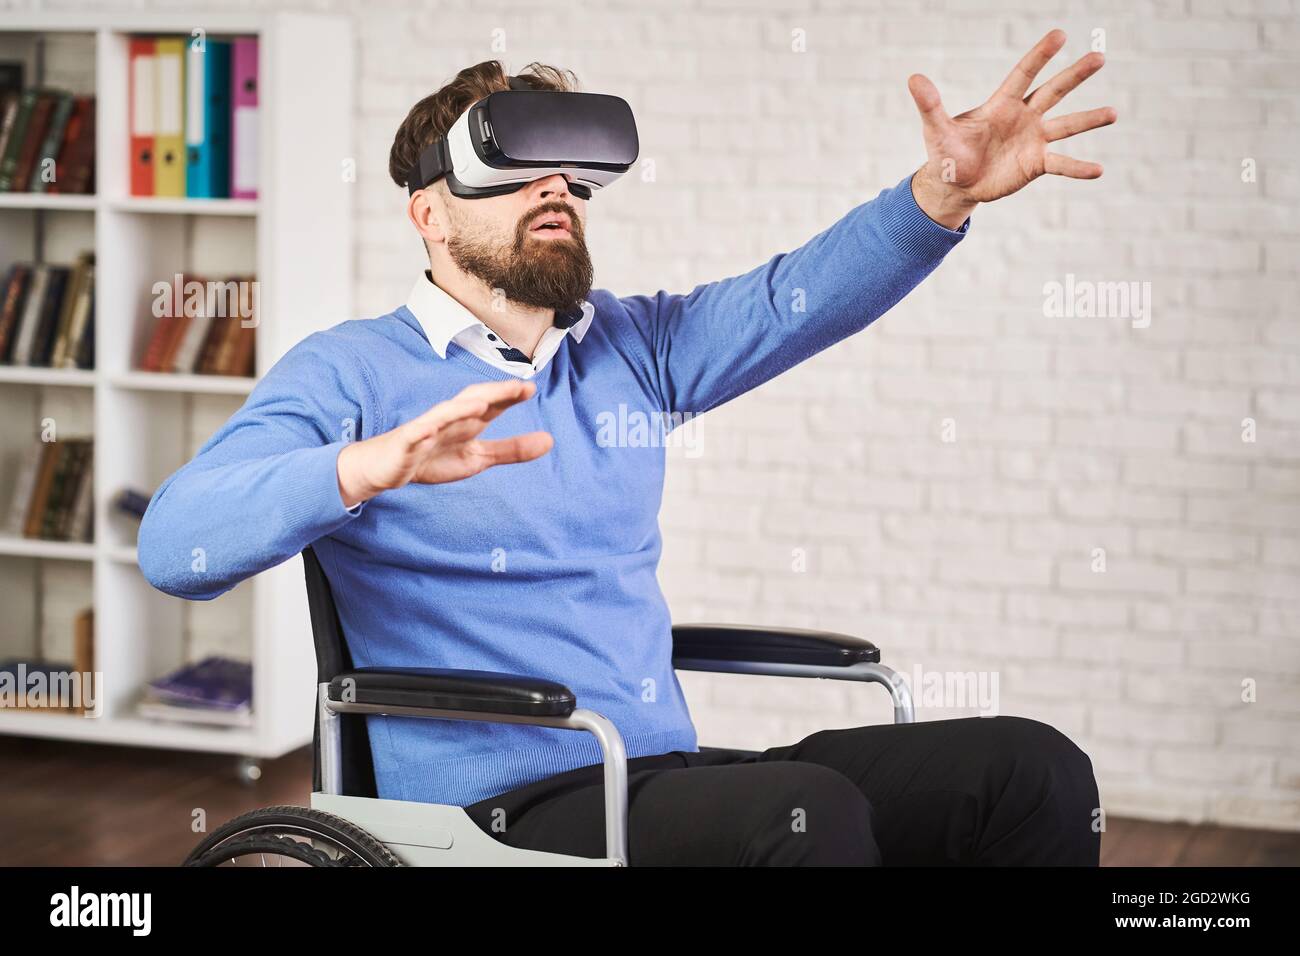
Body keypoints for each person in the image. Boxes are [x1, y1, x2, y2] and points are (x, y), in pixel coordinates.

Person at [138, 28, 1115, 865]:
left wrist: (939, 193)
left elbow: (791, 299)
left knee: (1030, 772)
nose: (553, 188)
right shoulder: (348, 371)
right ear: (428, 211)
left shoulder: (628, 348)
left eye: (567, 171)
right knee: (807, 817)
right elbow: (176, 542)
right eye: (514, 168)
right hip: (498, 807)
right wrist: (365, 466)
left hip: (652, 775)